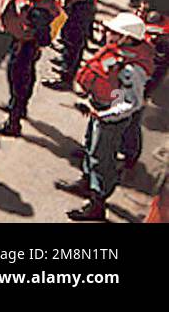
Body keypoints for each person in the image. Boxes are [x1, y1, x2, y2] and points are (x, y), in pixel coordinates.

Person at [55, 12, 156, 221]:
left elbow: (131, 102)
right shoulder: (118, 52)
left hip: (109, 118)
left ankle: (97, 204)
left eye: (114, 32)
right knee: (91, 148)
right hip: (99, 108)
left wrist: (104, 114)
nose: (108, 33)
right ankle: (86, 182)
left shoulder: (131, 68)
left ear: (127, 38)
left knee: (102, 160)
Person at [0, 0, 65, 136]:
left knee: (19, 83)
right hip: (26, 46)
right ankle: (19, 108)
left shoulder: (39, 9)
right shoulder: (42, 2)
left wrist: (29, 35)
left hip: (25, 48)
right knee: (24, 79)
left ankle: (13, 124)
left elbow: (44, 37)